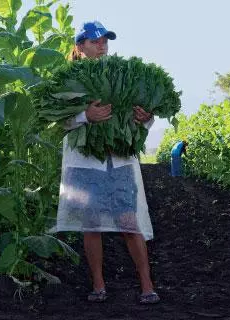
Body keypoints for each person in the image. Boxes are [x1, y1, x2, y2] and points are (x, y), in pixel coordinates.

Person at [54, 21, 160, 305]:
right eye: (95, 40)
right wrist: (85, 116)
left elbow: (147, 115)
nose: (102, 45)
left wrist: (144, 117)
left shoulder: (124, 74)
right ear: (80, 46)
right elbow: (57, 119)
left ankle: (147, 284)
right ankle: (98, 284)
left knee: (129, 221)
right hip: (84, 163)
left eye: (105, 40)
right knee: (91, 225)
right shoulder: (68, 79)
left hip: (119, 161)